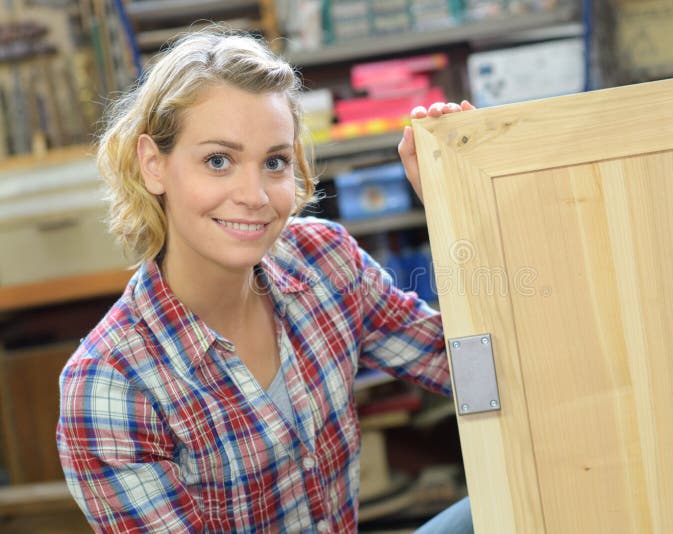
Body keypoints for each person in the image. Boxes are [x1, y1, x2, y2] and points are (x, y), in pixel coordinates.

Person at [56, 27, 475, 533]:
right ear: (153, 165)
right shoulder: (110, 385)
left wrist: (460, 208)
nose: (254, 194)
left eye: (274, 162)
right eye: (218, 161)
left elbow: (476, 373)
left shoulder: (324, 261)